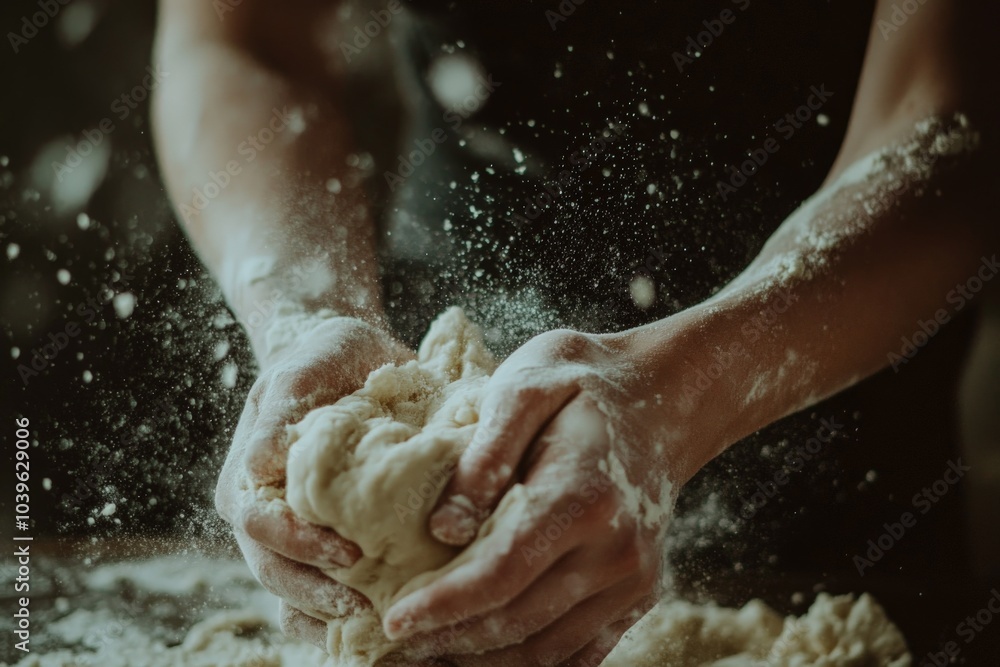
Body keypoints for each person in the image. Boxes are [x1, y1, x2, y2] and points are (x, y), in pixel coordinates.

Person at [152, 0, 998, 664]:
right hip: (449, 269)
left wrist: (680, 392)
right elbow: (241, 40)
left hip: (827, 337)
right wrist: (302, 313)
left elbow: (951, 120)